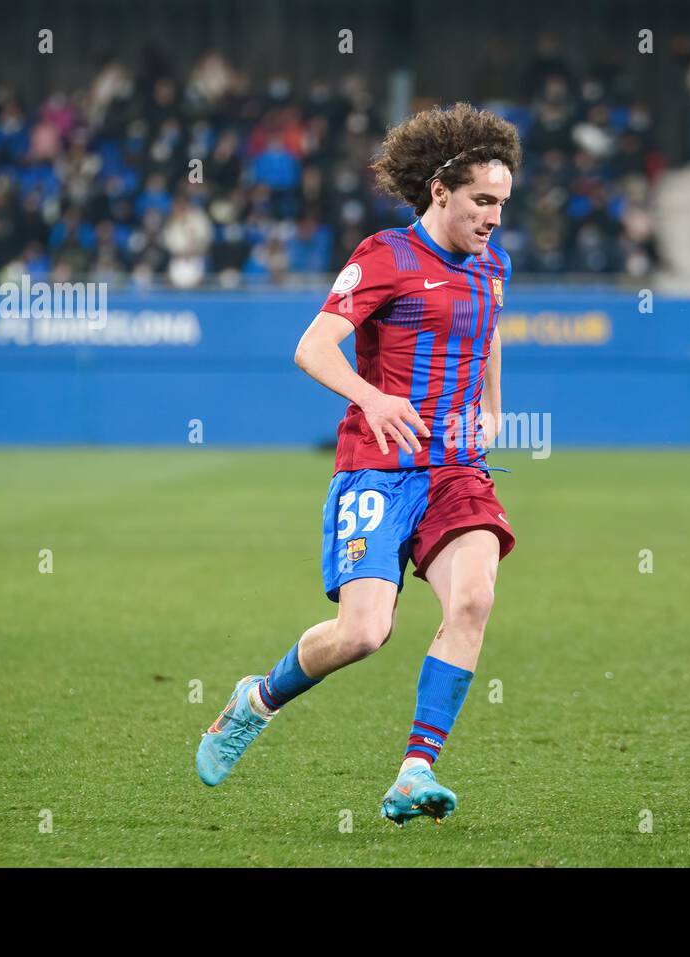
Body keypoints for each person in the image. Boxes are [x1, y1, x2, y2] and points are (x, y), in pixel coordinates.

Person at [195, 102, 521, 827]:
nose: (494, 218)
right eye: (481, 201)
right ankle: (257, 700)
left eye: (502, 203)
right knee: (363, 633)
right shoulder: (385, 256)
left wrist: (494, 408)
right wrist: (372, 398)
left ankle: (415, 770)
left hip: (456, 469)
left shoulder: (492, 264)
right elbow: (313, 347)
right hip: (377, 466)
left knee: (472, 600)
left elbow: (489, 328)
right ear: (440, 191)